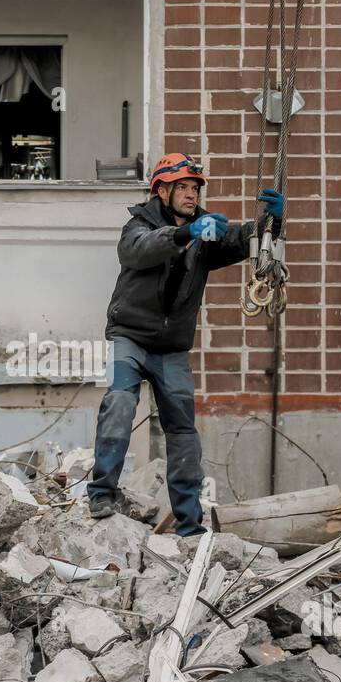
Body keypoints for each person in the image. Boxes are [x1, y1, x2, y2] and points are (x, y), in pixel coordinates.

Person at [88, 153, 284, 536]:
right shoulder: (138, 225)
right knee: (120, 402)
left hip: (171, 348)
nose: (191, 195)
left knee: (182, 431)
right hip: (131, 337)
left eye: (195, 188)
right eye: (183, 187)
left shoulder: (206, 233)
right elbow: (139, 250)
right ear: (161, 190)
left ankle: (188, 524)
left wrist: (273, 221)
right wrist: (186, 234)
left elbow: (250, 239)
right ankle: (101, 493)